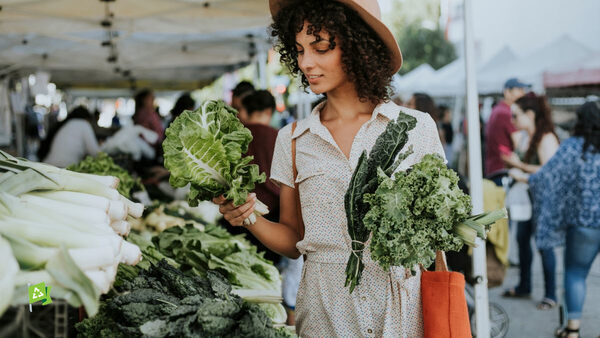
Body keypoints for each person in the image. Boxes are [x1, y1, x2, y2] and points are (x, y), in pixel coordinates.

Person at [213, 0, 445, 336]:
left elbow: (437, 232)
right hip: (324, 314)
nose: (306, 62)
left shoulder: (416, 128)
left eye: (320, 47)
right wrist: (247, 216)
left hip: (400, 314)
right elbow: (294, 239)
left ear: (358, 45)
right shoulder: (293, 138)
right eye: (299, 50)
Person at [528, 101, 600, 338]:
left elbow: (548, 176)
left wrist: (525, 179)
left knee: (575, 274)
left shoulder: (573, 148)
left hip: (583, 225)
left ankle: (572, 330)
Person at [501, 93, 560, 311]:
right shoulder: (527, 136)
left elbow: (550, 171)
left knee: (544, 245)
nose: (513, 121)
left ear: (530, 114)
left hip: (544, 199)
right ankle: (524, 285)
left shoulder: (546, 138)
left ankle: (550, 295)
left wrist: (521, 169)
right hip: (527, 197)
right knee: (522, 239)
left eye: (515, 116)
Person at [484, 77, 531, 185]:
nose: (523, 94)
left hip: (495, 169)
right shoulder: (506, 113)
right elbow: (520, 145)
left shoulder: (498, 110)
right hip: (504, 171)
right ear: (507, 92)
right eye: (519, 90)